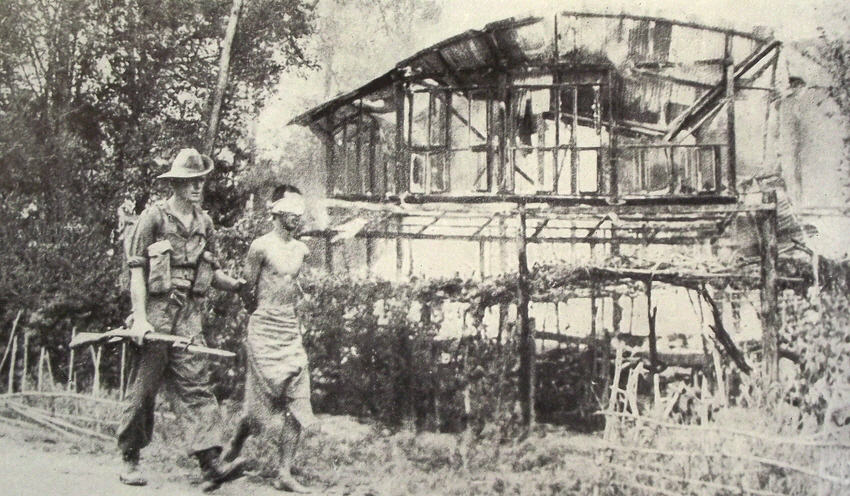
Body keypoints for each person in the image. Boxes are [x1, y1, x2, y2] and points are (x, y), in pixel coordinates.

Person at [118, 148, 246, 486]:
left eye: (201, 181)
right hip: (156, 312)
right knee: (145, 390)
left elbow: (212, 271)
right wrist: (141, 319)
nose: (197, 187)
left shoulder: (205, 223)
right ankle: (130, 457)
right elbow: (136, 273)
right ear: (175, 183)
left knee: (196, 385)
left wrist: (235, 285)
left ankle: (210, 466)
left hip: (189, 315)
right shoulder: (153, 218)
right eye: (190, 181)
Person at [220, 185, 318, 493]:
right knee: (259, 406)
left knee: (299, 397)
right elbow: (248, 290)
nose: (296, 219)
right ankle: (233, 447)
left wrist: (297, 308)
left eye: (298, 213)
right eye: (290, 213)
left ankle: (284, 472)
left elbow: (294, 286)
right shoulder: (260, 246)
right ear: (277, 213)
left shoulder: (302, 249)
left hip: (289, 328)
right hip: (264, 329)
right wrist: (261, 315)